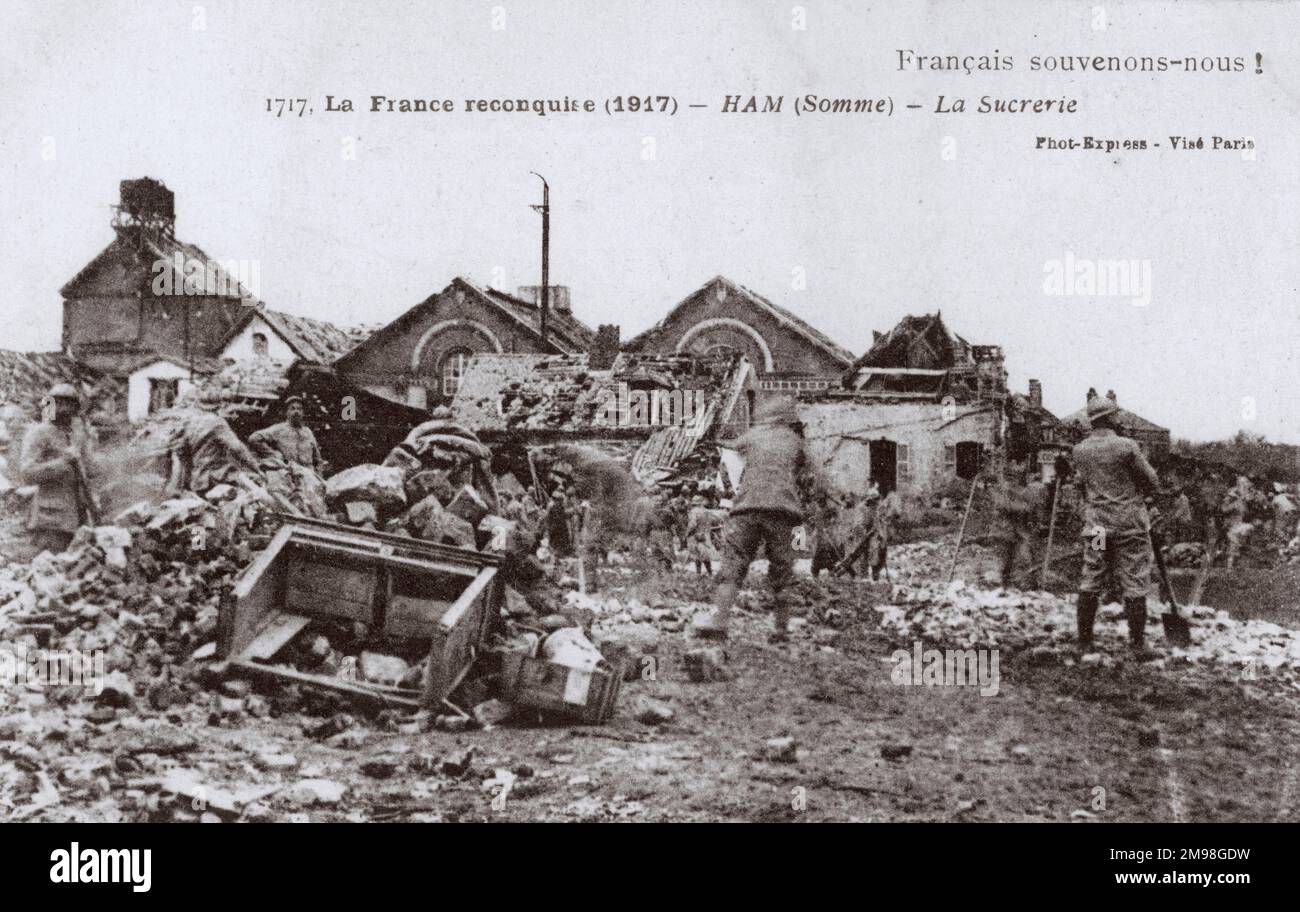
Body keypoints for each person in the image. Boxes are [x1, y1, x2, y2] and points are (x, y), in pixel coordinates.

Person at [693, 396, 810, 642]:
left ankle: (720, 622)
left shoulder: (754, 435)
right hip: (784, 511)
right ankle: (781, 630)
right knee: (783, 571)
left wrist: (707, 437)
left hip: (747, 508)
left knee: (733, 566)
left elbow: (730, 445)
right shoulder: (795, 441)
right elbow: (815, 474)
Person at [1071, 394, 1161, 658]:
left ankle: (1085, 641)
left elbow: (1081, 484)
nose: (1120, 418)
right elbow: (1151, 481)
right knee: (1134, 579)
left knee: (1092, 575)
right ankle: (1136, 645)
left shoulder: (1080, 450)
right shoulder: (1126, 446)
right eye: (1117, 414)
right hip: (1128, 528)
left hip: (1098, 527)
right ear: (1110, 417)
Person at [20, 383, 96, 554]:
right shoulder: (39, 433)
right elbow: (27, 473)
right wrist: (63, 462)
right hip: (49, 520)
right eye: (58, 403)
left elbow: (89, 471)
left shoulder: (78, 435)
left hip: (77, 515)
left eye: (69, 404)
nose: (64, 408)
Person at [248, 396, 324, 474]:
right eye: (292, 408)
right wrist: (274, 454)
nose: (296, 412)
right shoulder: (278, 429)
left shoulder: (308, 432)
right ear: (286, 412)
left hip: (309, 476)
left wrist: (319, 477)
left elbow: (318, 460)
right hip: (289, 475)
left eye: (299, 409)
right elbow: (254, 438)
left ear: (303, 413)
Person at [684, 494, 719, 575]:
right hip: (706, 535)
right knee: (705, 555)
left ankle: (698, 573)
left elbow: (692, 524)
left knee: (696, 555)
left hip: (695, 536)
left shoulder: (693, 512)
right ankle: (710, 572)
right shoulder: (707, 511)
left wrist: (687, 533)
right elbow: (715, 520)